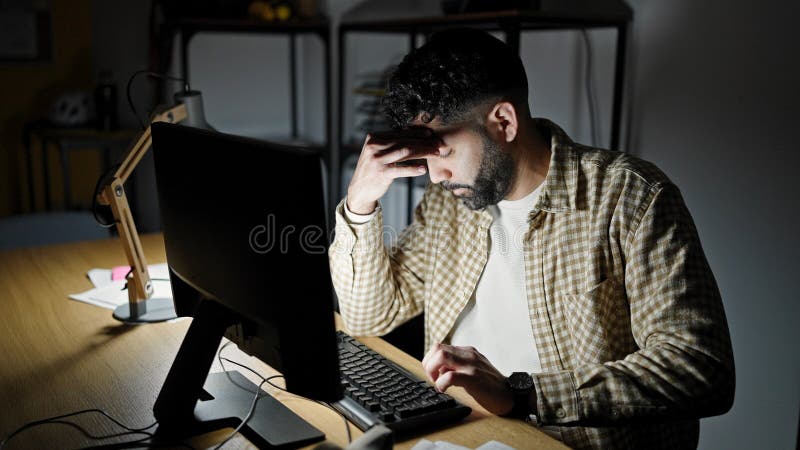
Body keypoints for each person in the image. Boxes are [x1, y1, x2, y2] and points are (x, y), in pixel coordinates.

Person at [328, 28, 734, 449]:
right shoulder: (449, 204)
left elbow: (701, 369)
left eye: (443, 151)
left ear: (503, 122)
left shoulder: (630, 197)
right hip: (468, 433)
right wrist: (360, 204)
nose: (434, 176)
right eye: (425, 156)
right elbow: (368, 318)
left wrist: (522, 393)